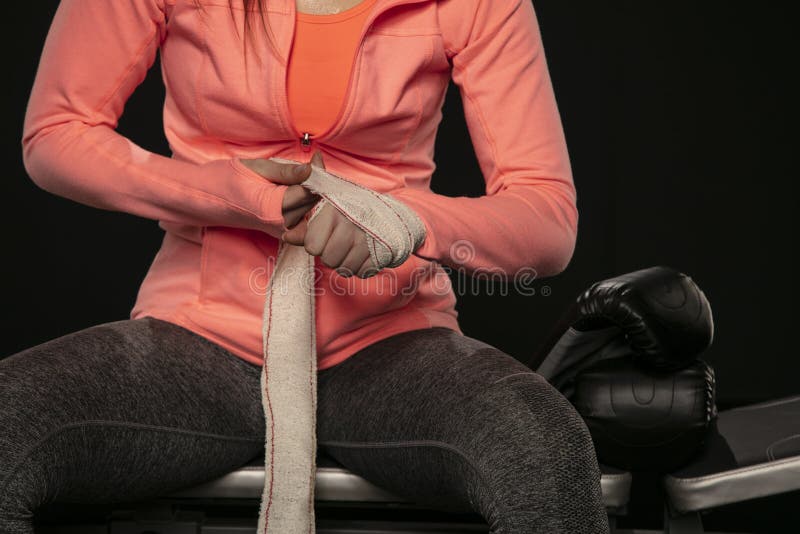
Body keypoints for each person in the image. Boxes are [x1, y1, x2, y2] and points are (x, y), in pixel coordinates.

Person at [1, 0, 610, 532]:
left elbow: (545, 217)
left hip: (389, 338)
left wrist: (398, 222)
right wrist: (236, 195)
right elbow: (57, 132)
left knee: (543, 448)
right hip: (199, 333)